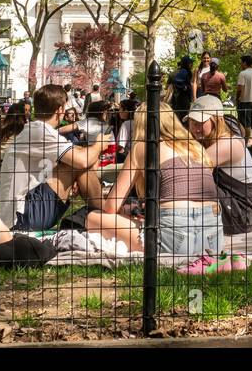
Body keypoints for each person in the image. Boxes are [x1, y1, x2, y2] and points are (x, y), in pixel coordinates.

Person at [89, 109, 221, 266]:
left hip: (173, 240)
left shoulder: (142, 147)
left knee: (93, 217)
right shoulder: (195, 148)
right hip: (213, 241)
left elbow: (111, 207)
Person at [0, 84, 109, 231]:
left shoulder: (35, 129)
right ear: (60, 110)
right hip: (22, 217)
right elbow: (82, 160)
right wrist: (99, 145)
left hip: (24, 212)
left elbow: (78, 154)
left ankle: (103, 213)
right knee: (76, 163)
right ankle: (106, 214)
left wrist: (74, 178)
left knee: (76, 161)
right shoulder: (39, 131)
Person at [184, 95, 252, 240]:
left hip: (241, 216)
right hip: (228, 207)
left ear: (216, 121)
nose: (195, 128)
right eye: (192, 122)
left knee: (192, 181)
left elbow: (189, 170)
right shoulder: (210, 140)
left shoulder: (230, 143)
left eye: (200, 122)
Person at [235, 54, 252, 148]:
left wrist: (237, 98)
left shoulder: (243, 74)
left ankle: (245, 143)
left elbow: (240, 88)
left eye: (241, 62)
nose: (240, 64)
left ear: (245, 63)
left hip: (244, 101)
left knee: (245, 123)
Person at [169, 56, 194, 120]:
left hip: (185, 98)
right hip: (182, 98)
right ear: (186, 63)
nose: (191, 65)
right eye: (190, 63)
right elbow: (176, 80)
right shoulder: (184, 71)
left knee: (184, 115)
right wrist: (183, 87)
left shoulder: (187, 71)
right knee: (183, 116)